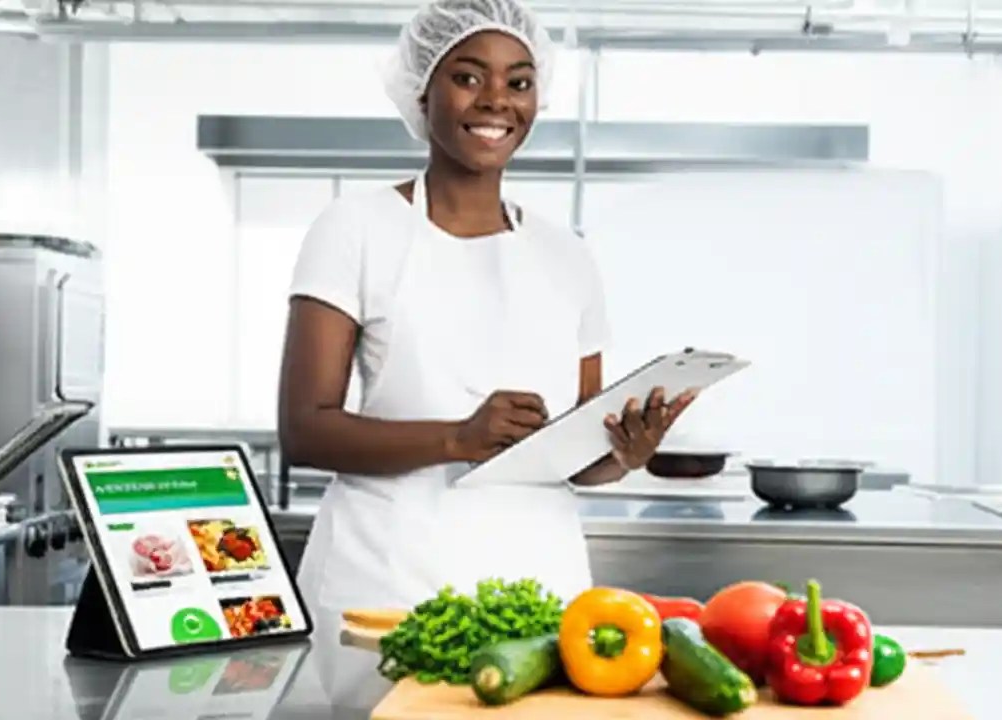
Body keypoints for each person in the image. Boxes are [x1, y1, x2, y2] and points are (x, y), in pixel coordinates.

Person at [278, 0, 695, 619]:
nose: (497, 100)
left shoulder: (567, 256)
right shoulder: (355, 228)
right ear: (422, 92)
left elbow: (578, 457)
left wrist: (623, 455)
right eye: (468, 76)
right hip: (386, 583)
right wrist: (457, 438)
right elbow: (304, 429)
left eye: (519, 82)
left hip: (536, 584)